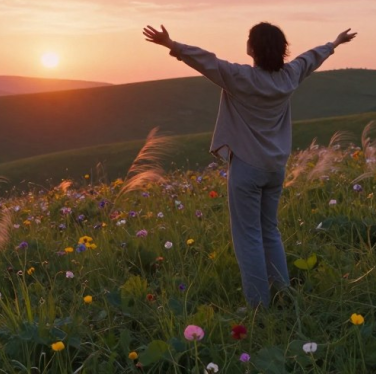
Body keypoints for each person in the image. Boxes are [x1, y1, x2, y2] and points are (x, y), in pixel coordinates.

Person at [142, 22, 357, 307]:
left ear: (253, 48)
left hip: (247, 168)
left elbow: (206, 60)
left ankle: (259, 306)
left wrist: (171, 44)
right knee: (270, 230)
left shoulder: (240, 77)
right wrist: (334, 43)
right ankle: (283, 293)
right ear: (281, 50)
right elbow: (309, 59)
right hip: (275, 167)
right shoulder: (289, 77)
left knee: (249, 237)